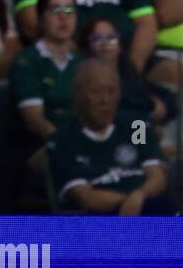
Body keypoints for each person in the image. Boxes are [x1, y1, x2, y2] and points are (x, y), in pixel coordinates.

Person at [46, 57, 174, 213]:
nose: (105, 100)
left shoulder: (136, 126)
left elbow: (157, 177)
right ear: (78, 95)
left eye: (111, 91)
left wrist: (140, 196)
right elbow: (85, 197)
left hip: (151, 210)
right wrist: (129, 202)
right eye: (96, 92)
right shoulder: (64, 140)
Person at [11, 0, 156, 75]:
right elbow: (31, 23)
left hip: (123, 59)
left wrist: (133, 66)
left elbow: (146, 23)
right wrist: (80, 62)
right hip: (67, 63)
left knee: (167, 74)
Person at [10, 0, 79, 148]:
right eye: (55, 9)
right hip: (43, 146)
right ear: (41, 18)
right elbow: (35, 121)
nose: (63, 16)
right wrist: (68, 146)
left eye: (69, 10)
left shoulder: (83, 61)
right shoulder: (27, 61)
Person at [79, 15, 170, 126]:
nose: (105, 44)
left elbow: (168, 98)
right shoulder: (82, 77)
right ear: (88, 45)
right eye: (97, 38)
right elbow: (132, 101)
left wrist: (159, 106)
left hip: (135, 128)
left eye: (111, 38)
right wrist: (150, 105)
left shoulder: (128, 74)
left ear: (119, 47)